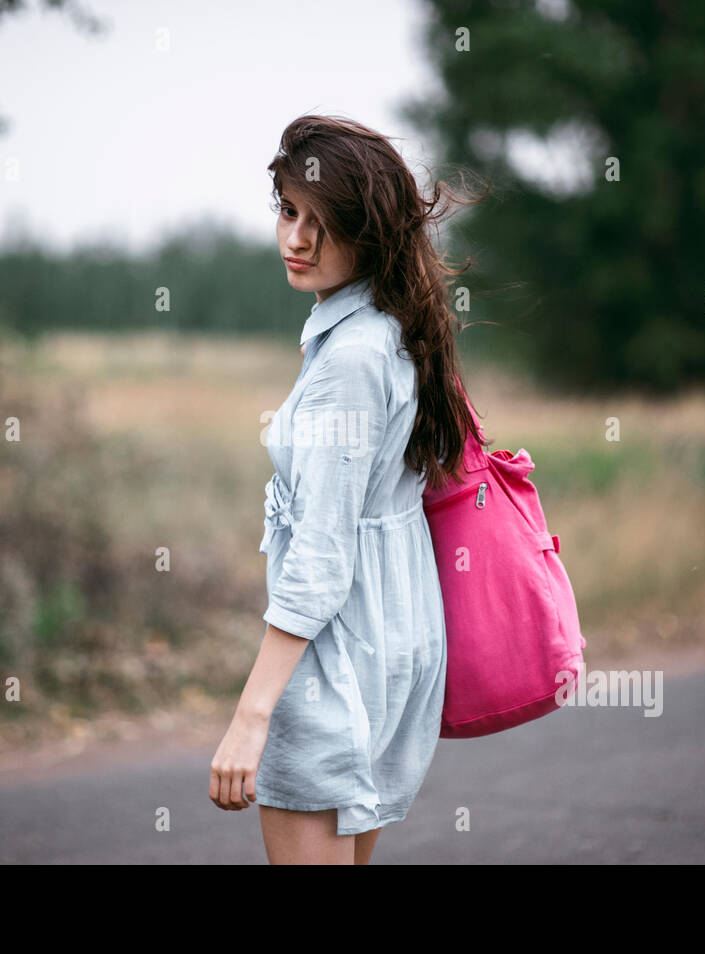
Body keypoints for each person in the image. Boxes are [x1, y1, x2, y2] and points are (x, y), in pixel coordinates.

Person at [209, 114, 489, 864]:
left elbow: (322, 558)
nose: (295, 239)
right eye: (288, 211)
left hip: (338, 662)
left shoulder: (351, 361)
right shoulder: (393, 328)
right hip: (392, 641)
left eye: (322, 224)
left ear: (370, 234)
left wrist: (251, 714)